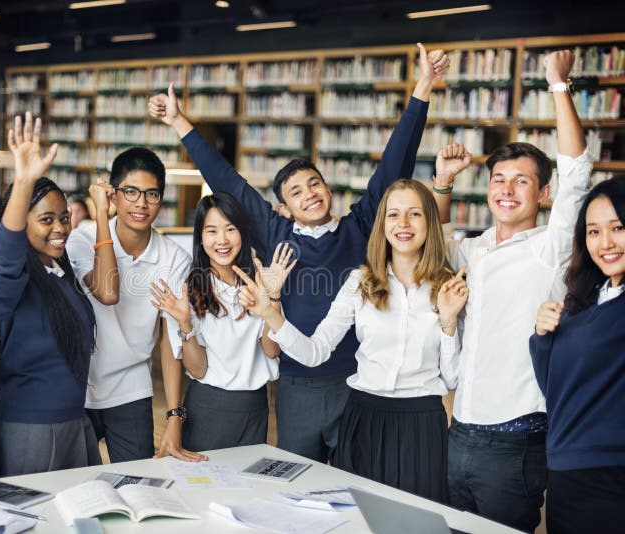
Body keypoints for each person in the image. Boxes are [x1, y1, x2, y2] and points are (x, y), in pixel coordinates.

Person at [149, 43, 449, 463]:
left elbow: (395, 163)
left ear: (328, 190)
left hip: (355, 380)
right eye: (296, 192)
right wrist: (179, 122)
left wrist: (423, 87)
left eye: (314, 185)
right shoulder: (273, 232)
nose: (309, 195)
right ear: (283, 207)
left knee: (351, 479)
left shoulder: (360, 227)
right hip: (296, 386)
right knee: (298, 482)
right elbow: (226, 181)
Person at [431, 50, 592, 532]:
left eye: (522, 181)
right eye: (499, 179)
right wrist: (442, 183)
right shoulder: (473, 251)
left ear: (543, 194)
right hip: (458, 433)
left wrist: (557, 86)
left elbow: (578, 176)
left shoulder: (551, 246)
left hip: (515, 442)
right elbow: (433, 251)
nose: (507, 189)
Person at [238, 179, 467, 502]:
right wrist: (270, 313)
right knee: (358, 517)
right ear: (382, 224)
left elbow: (453, 376)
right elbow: (315, 352)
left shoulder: (447, 286)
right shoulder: (360, 281)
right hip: (364, 418)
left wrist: (448, 322)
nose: (403, 224)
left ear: (429, 221)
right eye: (393, 214)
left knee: (417, 519)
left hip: (422, 422)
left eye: (414, 214)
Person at [0, 112, 113, 475]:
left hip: (74, 422)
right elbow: (6, 254)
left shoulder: (60, 271)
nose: (60, 228)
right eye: (46, 219)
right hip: (32, 432)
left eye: (64, 217)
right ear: (20, 222)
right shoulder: (9, 276)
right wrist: (23, 183)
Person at [66, 147, 206, 463]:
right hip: (77, 387)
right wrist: (100, 215)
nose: (141, 203)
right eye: (131, 192)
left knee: (140, 483)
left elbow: (171, 343)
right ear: (113, 195)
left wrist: (174, 416)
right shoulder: (81, 239)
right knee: (77, 485)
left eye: (152, 194)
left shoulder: (173, 259)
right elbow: (106, 290)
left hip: (131, 387)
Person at [151, 193, 293, 451]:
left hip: (256, 406)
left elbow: (272, 350)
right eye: (212, 231)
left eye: (230, 229)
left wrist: (272, 300)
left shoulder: (261, 281)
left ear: (243, 232)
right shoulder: (189, 290)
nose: (222, 240)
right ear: (201, 238)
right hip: (208, 407)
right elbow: (198, 370)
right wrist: (185, 324)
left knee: (246, 489)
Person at [530, 175, 625, 534]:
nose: (606, 243)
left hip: (611, 476)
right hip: (565, 473)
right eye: (594, 231)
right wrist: (542, 337)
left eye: (618, 228)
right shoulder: (586, 297)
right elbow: (554, 388)